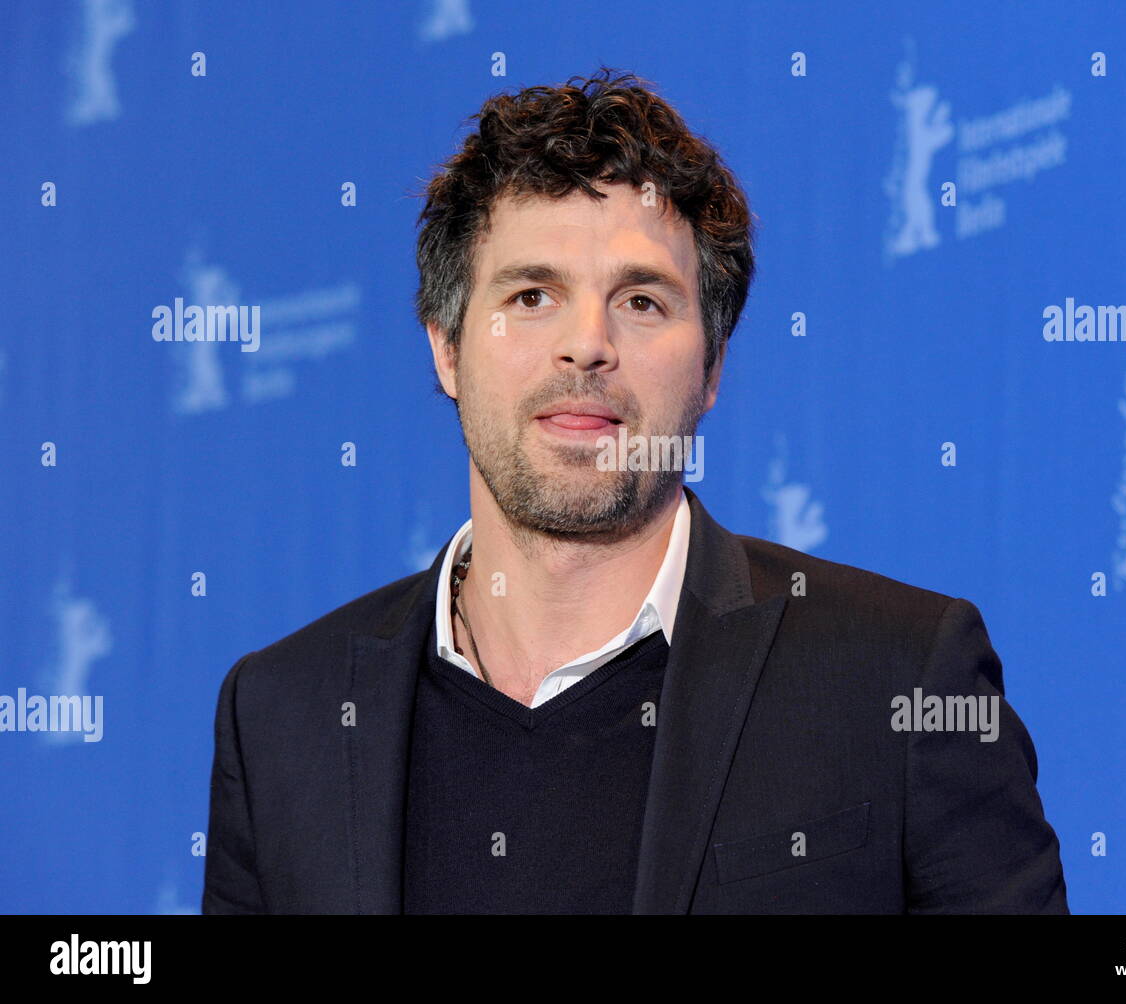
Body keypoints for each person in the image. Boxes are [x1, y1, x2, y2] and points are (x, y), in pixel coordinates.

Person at [202, 67, 1068, 915]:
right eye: (532, 294)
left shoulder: (899, 675)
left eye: (643, 301)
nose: (587, 345)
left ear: (714, 365)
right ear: (446, 349)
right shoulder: (284, 714)